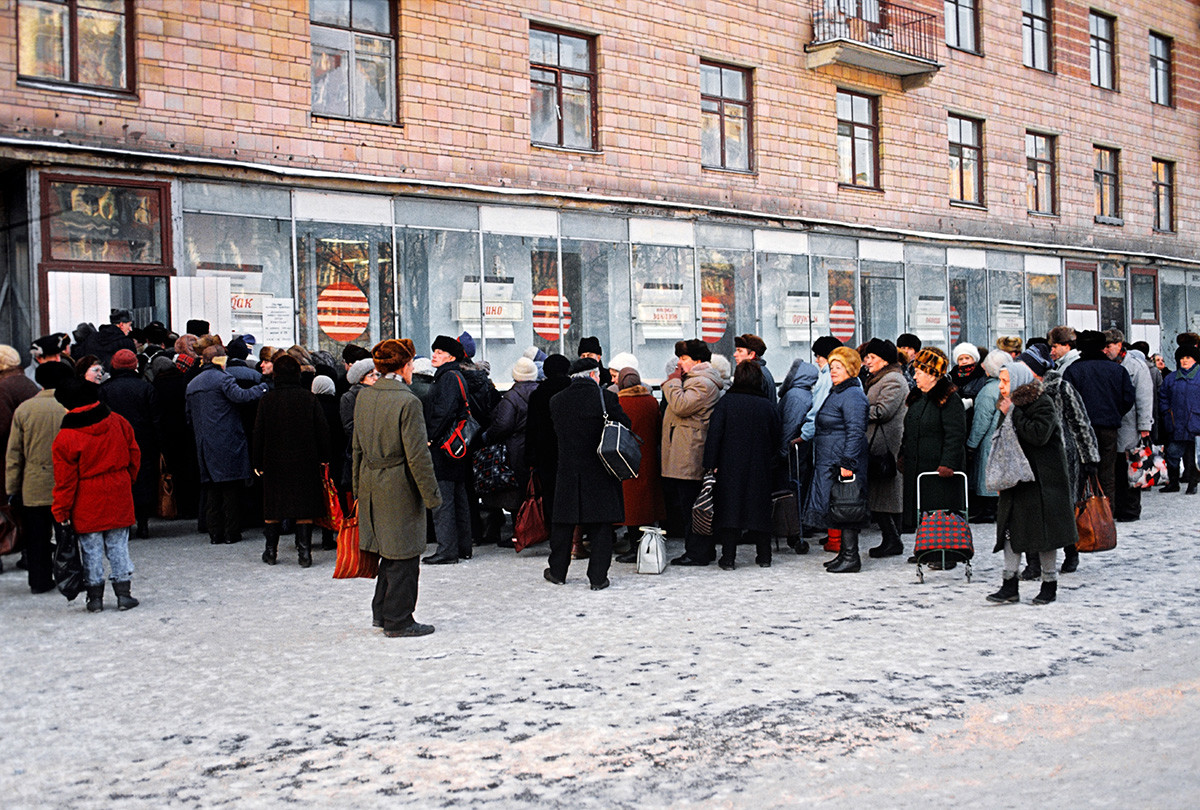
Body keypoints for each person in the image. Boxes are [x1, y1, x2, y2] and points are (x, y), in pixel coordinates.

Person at [352, 339, 442, 637]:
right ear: (404, 366)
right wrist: (431, 495)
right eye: (411, 363)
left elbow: (356, 449)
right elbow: (417, 456)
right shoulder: (408, 401)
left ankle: (382, 612)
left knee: (388, 552)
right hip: (398, 484)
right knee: (404, 554)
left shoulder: (364, 396)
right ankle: (398, 619)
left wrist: (358, 488)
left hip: (371, 481)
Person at [986, 361, 1076, 606]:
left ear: (1018, 380)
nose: (1001, 386)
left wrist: (1013, 413)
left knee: (1044, 534)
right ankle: (1009, 584)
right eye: (1000, 381)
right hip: (1015, 480)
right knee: (1009, 531)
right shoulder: (1008, 405)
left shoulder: (1041, 402)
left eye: (1006, 381)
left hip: (1042, 481)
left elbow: (1038, 435)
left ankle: (1049, 584)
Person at [51, 377, 141, 612]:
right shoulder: (118, 421)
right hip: (118, 489)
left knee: (90, 549)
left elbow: (65, 480)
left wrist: (61, 510)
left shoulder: (65, 437)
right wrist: (126, 479)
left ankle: (95, 598)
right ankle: (124, 594)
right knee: (119, 545)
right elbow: (134, 453)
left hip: (86, 497)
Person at [542, 357, 630, 590]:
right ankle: (598, 578)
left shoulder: (557, 401)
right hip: (601, 468)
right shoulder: (606, 399)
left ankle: (558, 571)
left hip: (568, 469)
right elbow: (625, 425)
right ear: (593, 375)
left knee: (563, 523)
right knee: (601, 524)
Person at [186, 343, 269, 545]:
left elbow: (188, 416)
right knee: (230, 489)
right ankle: (232, 532)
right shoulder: (223, 379)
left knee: (212, 489)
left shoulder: (193, 384)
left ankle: (215, 533)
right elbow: (242, 396)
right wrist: (263, 387)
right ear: (220, 360)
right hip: (226, 441)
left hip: (204, 443)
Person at [253, 355, 331, 567]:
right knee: (304, 506)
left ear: (276, 375)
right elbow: (322, 431)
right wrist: (324, 457)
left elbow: (258, 432)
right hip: (305, 459)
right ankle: (304, 553)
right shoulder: (309, 398)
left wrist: (257, 462)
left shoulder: (267, 400)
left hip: (274, 460)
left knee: (273, 505)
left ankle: (271, 551)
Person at [703, 360, 781, 569]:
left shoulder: (726, 403)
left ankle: (728, 558)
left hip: (730, 466)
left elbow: (714, 435)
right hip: (760, 466)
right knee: (760, 510)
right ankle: (764, 556)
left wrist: (710, 463)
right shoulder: (766, 405)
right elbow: (777, 437)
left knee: (730, 510)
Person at [5, 362, 71, 592]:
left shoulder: (24, 409)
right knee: (66, 535)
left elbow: (14, 453)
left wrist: (12, 488)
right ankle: (70, 577)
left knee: (37, 537)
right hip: (65, 482)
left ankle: (39, 581)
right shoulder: (68, 407)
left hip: (33, 484)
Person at [804, 347, 869, 573]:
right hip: (832, 458)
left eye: (838, 367)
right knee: (838, 505)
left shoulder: (852, 395)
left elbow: (856, 430)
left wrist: (848, 463)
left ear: (851, 369)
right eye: (831, 367)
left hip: (842, 460)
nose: (833, 371)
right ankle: (844, 553)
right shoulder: (839, 391)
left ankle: (851, 556)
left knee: (847, 505)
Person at [662, 339, 724, 566]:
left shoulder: (702, 383)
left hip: (690, 451)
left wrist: (672, 382)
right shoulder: (695, 380)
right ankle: (701, 550)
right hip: (686, 449)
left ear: (698, 360)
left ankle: (697, 552)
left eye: (684, 358)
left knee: (692, 506)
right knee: (691, 504)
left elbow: (681, 405)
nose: (679, 363)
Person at [900, 348, 966, 538]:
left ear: (932, 374)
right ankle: (925, 546)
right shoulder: (917, 397)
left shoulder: (949, 399)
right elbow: (909, 430)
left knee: (939, 513)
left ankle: (942, 548)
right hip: (917, 466)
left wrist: (947, 464)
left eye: (919, 372)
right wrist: (903, 454)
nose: (915, 376)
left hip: (937, 469)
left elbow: (955, 435)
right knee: (920, 511)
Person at [1062, 330, 1134, 503]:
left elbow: (1066, 400)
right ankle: (1106, 512)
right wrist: (1115, 412)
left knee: (1082, 473)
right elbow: (1128, 398)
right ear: (1102, 347)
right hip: (1109, 427)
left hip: (1081, 430)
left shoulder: (1073, 370)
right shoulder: (1118, 370)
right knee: (1107, 474)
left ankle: (1083, 512)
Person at [422, 335, 474, 564]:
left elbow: (443, 411)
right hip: (455, 447)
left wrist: (430, 437)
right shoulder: (455, 375)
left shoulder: (447, 378)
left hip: (444, 447)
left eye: (440, 352)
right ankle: (462, 547)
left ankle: (447, 550)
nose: (434, 355)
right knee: (458, 497)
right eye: (435, 351)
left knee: (444, 500)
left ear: (451, 357)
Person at [99, 348, 161, 539]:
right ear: (135, 365)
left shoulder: (104, 389)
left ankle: (124, 524)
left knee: (118, 481)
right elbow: (156, 419)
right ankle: (143, 523)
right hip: (142, 440)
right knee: (142, 480)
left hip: (113, 441)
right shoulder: (146, 387)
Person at [478, 356, 539, 545]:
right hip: (535, 445)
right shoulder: (539, 391)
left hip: (515, 448)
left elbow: (503, 425)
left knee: (516, 491)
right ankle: (534, 529)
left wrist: (486, 436)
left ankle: (518, 533)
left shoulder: (512, 397)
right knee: (532, 488)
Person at [861, 339, 908, 558]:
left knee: (887, 494)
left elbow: (883, 411)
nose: (867, 361)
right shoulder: (880, 378)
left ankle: (893, 539)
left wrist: (857, 411)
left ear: (885, 360)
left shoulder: (893, 380)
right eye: (867, 357)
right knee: (881, 494)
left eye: (872, 357)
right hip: (878, 445)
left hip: (887, 447)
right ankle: (891, 539)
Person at [614, 367, 665, 562]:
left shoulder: (619, 402)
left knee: (632, 505)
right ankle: (648, 544)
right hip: (649, 457)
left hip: (627, 458)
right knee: (647, 503)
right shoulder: (651, 401)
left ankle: (635, 547)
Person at [1103, 330, 1154, 520]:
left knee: (1133, 467)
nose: (1106, 350)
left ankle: (1131, 508)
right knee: (1116, 467)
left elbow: (1144, 397)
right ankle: (1118, 506)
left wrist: (1145, 425)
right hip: (1114, 423)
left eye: (1109, 346)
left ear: (1119, 344)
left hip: (1131, 424)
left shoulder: (1136, 366)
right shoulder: (1107, 364)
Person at [777, 356, 819, 552]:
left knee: (791, 486)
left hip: (793, 452)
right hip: (800, 451)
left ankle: (793, 527)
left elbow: (789, 425)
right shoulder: (804, 394)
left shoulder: (794, 396)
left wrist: (782, 450)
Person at [524, 354, 572, 525]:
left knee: (550, 492)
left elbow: (532, 427)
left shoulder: (538, 394)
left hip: (545, 450)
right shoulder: (572, 390)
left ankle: (555, 528)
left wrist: (530, 456)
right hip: (570, 448)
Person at [965, 350, 1009, 524]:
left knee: (986, 474)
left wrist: (971, 444)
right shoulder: (1010, 386)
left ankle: (988, 510)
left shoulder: (987, 390)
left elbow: (981, 421)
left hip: (989, 440)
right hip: (1005, 438)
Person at [1158, 342, 1200, 494]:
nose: (1184, 360)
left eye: (1188, 357)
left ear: (1195, 359)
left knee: (1194, 457)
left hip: (1196, 423)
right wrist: (1166, 413)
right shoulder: (1171, 378)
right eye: (1182, 358)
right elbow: (1163, 397)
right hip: (1176, 423)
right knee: (1172, 454)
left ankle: (1193, 483)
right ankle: (1173, 483)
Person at [733, 333, 776, 403]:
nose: (735, 354)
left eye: (740, 351)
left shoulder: (754, 375)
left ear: (751, 354)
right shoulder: (762, 371)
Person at [949, 343, 987, 417]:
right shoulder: (950, 377)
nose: (964, 361)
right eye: (961, 359)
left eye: (967, 358)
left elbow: (986, 399)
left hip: (974, 416)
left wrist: (971, 402)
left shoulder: (981, 376)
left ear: (974, 359)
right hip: (954, 416)